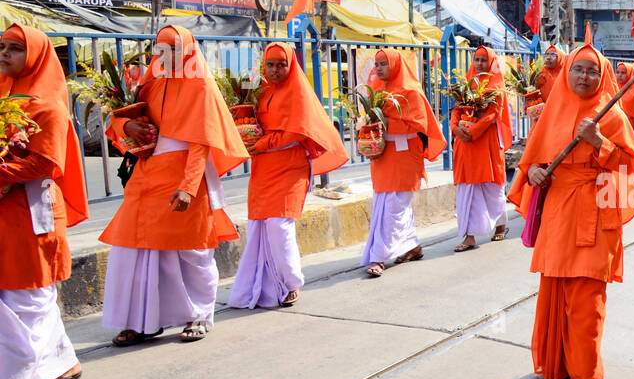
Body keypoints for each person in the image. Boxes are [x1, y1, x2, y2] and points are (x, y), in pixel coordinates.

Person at [506, 44, 634, 379]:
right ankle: (558, 366)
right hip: (557, 215)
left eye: (592, 71)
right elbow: (532, 162)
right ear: (567, 73)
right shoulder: (553, 112)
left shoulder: (612, 117)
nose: (584, 76)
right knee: (554, 292)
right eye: (578, 69)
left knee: (587, 300)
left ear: (603, 76)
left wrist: (598, 141)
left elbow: (632, 170)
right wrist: (533, 171)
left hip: (596, 217)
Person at [100, 25, 248, 344]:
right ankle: (142, 321)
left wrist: (189, 186)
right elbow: (123, 117)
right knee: (134, 248)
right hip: (146, 175)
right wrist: (127, 124)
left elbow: (201, 142)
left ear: (189, 51)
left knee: (190, 251)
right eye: (160, 50)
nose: (166, 56)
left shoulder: (201, 88)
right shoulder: (150, 83)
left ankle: (199, 314)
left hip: (185, 176)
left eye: (173, 49)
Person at [0, 25, 89, 379]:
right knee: (23, 296)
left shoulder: (47, 104)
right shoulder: (4, 97)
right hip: (8, 210)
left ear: (35, 57)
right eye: (1, 46)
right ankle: (62, 362)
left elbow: (46, 162)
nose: (4, 54)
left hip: (30, 212)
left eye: (15, 49)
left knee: (26, 296)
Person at [229, 43, 348, 309]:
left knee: (278, 226)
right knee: (260, 227)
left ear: (290, 65)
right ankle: (265, 288)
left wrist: (261, 144)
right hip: (263, 168)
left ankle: (292, 282)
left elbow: (298, 131)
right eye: (270, 65)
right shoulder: (257, 91)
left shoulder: (298, 92)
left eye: (281, 65)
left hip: (291, 165)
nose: (275, 70)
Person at [361, 48, 447, 277]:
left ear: (396, 65)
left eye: (383, 64)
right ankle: (411, 246)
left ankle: (379, 256)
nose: (378, 68)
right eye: (376, 64)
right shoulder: (376, 90)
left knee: (394, 205)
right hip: (383, 154)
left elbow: (418, 125)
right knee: (387, 202)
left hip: (405, 154)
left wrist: (387, 122)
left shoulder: (412, 91)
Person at [448, 46, 512, 253]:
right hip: (465, 143)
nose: (479, 64)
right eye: (477, 60)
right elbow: (457, 109)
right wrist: (455, 128)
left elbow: (493, 114)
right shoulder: (467, 82)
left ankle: (500, 223)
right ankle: (469, 235)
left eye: (484, 60)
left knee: (491, 186)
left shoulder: (496, 86)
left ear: (491, 63)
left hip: (486, 141)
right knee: (466, 188)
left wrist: (473, 131)